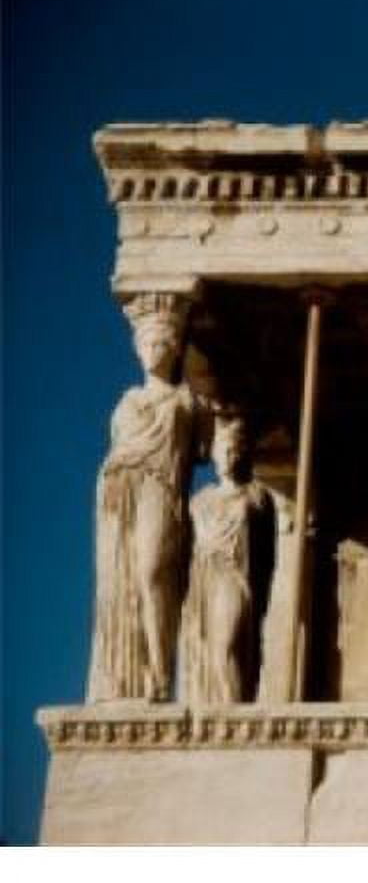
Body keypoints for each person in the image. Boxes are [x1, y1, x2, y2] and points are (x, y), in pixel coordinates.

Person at [88, 293, 201, 702]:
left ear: (173, 349)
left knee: (153, 571)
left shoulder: (184, 400)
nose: (153, 351)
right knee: (122, 582)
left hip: (161, 487)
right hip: (120, 488)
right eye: (147, 344)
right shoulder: (128, 401)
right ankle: (129, 677)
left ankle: (161, 670)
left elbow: (205, 447)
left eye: (161, 344)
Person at [179, 414, 270, 705]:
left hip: (234, 575)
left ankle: (232, 710)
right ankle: (220, 711)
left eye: (233, 449)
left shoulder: (255, 496)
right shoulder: (200, 501)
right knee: (207, 649)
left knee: (225, 646)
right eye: (223, 450)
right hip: (204, 577)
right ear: (214, 454)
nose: (228, 456)